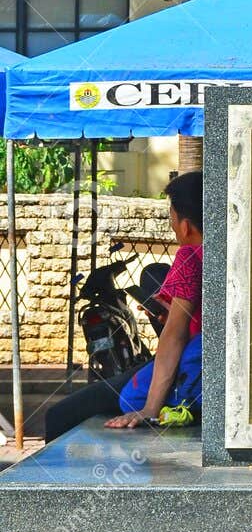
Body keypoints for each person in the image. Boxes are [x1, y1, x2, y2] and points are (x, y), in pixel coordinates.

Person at [44, 171, 203, 443]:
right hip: (199, 369)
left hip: (189, 369)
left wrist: (150, 408)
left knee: (60, 415)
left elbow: (174, 336)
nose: (173, 227)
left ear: (185, 226)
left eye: (172, 219)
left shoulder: (189, 256)